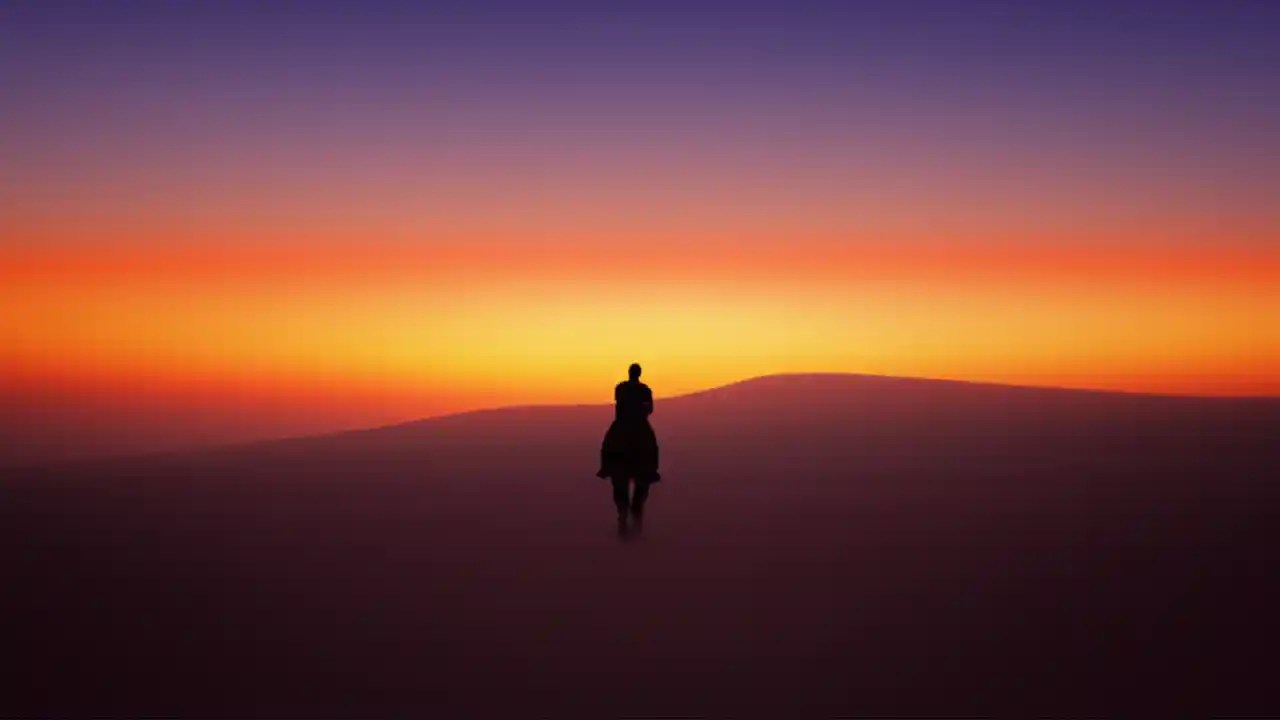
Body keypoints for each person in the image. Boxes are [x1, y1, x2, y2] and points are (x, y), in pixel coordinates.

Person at [597, 363, 660, 535]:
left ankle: (606, 467)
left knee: (608, 443)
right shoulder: (645, 389)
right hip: (638, 424)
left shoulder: (621, 388)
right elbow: (650, 409)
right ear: (639, 373)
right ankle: (652, 470)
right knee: (651, 445)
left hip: (622, 424)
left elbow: (619, 405)